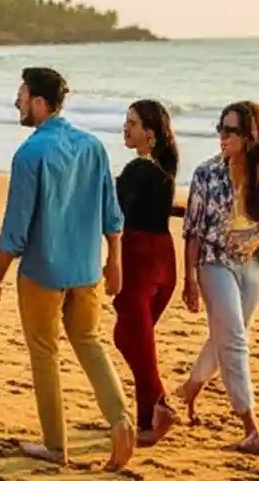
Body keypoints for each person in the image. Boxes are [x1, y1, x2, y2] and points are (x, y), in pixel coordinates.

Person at [0, 67, 135, 471]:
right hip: (87, 269)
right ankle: (121, 421)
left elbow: (15, 229)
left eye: (21, 94)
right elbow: (112, 213)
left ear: (39, 102)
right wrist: (114, 261)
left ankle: (55, 446)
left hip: (42, 271)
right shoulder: (93, 147)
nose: (16, 101)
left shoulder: (30, 154)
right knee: (88, 342)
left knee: (45, 353)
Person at [174, 100, 259, 454]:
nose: (221, 136)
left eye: (230, 130)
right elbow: (192, 231)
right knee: (235, 339)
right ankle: (250, 425)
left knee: (226, 335)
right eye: (219, 128)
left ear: (251, 135)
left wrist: (253, 238)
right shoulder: (206, 173)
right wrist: (189, 279)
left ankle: (192, 385)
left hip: (254, 264)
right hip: (213, 262)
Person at [112, 100, 183, 447]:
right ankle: (154, 409)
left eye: (133, 123)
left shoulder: (138, 170)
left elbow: (114, 211)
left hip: (139, 261)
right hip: (165, 262)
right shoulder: (164, 170)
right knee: (129, 339)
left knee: (136, 342)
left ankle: (155, 412)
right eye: (126, 122)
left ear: (150, 134)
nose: (126, 128)